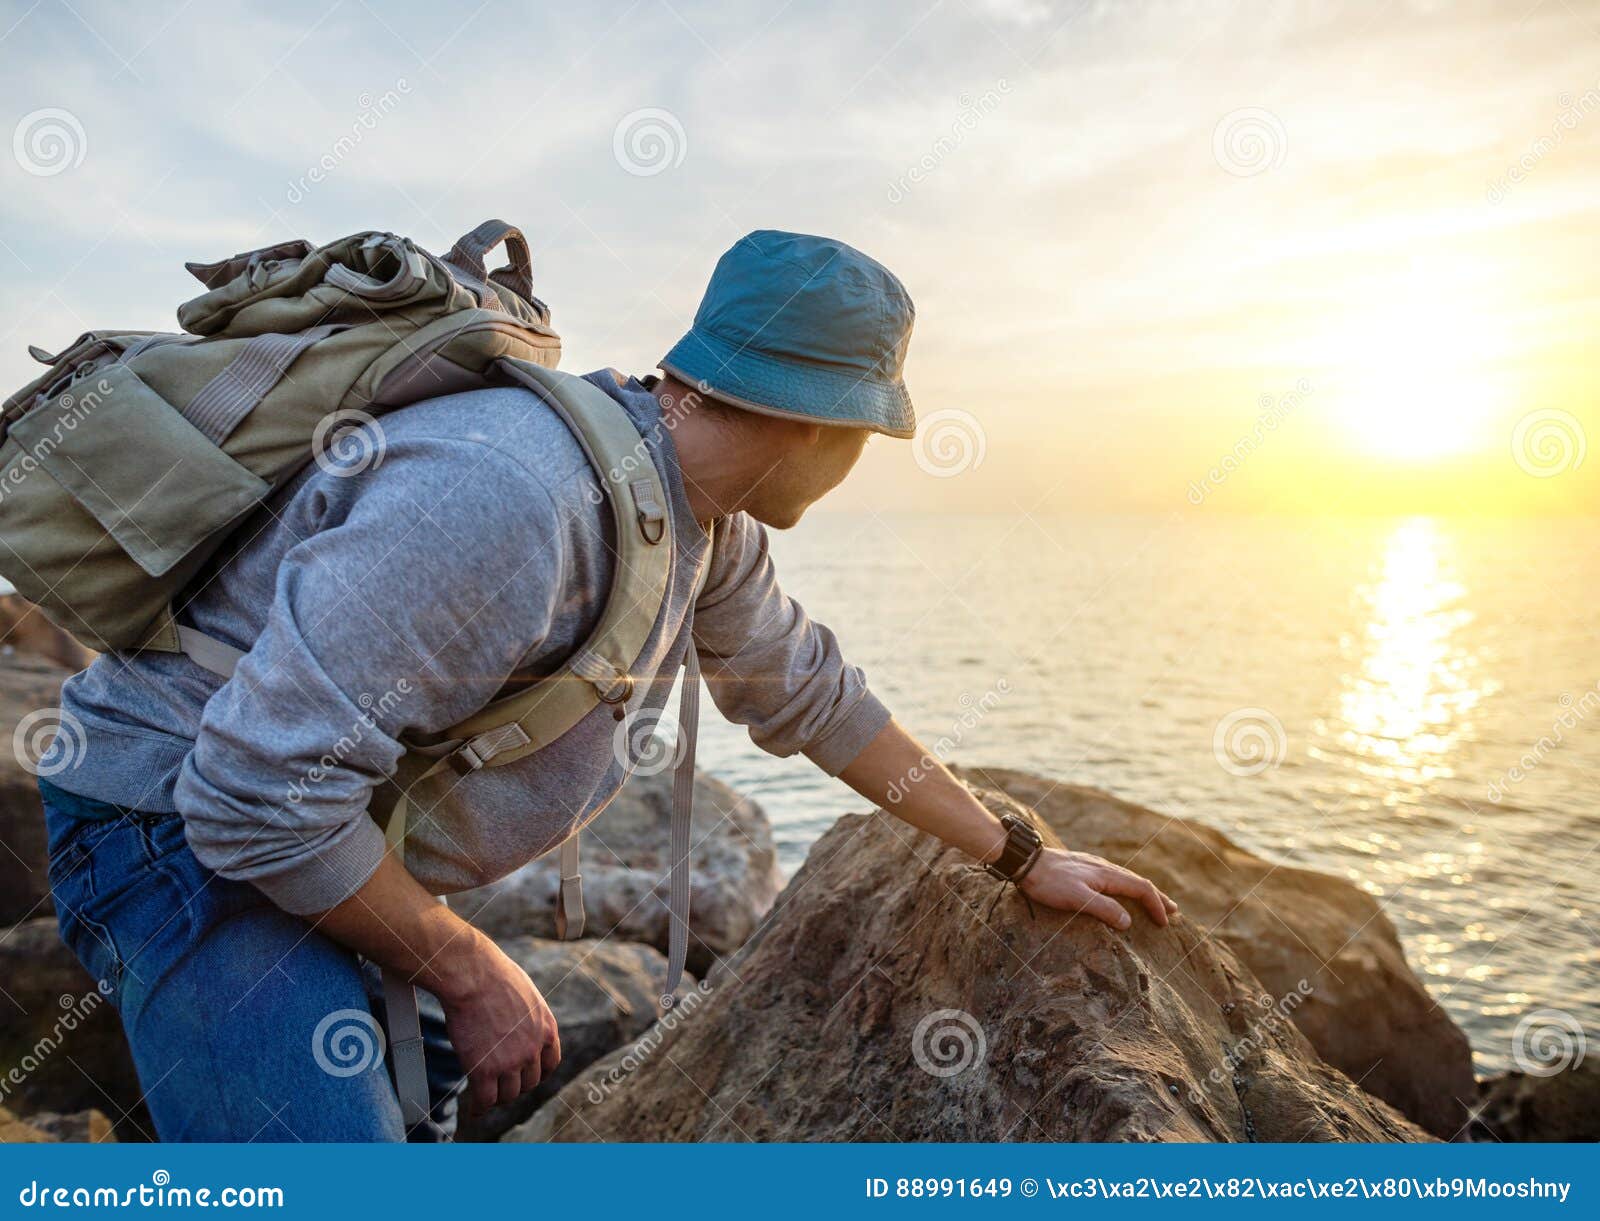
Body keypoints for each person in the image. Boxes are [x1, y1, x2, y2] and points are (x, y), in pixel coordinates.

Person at [39, 229, 1175, 1142]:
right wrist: (471, 967)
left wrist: (1017, 851)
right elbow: (249, 798)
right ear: (825, 426)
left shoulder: (703, 521)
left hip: (324, 845)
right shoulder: (508, 501)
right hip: (175, 840)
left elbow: (809, 695)